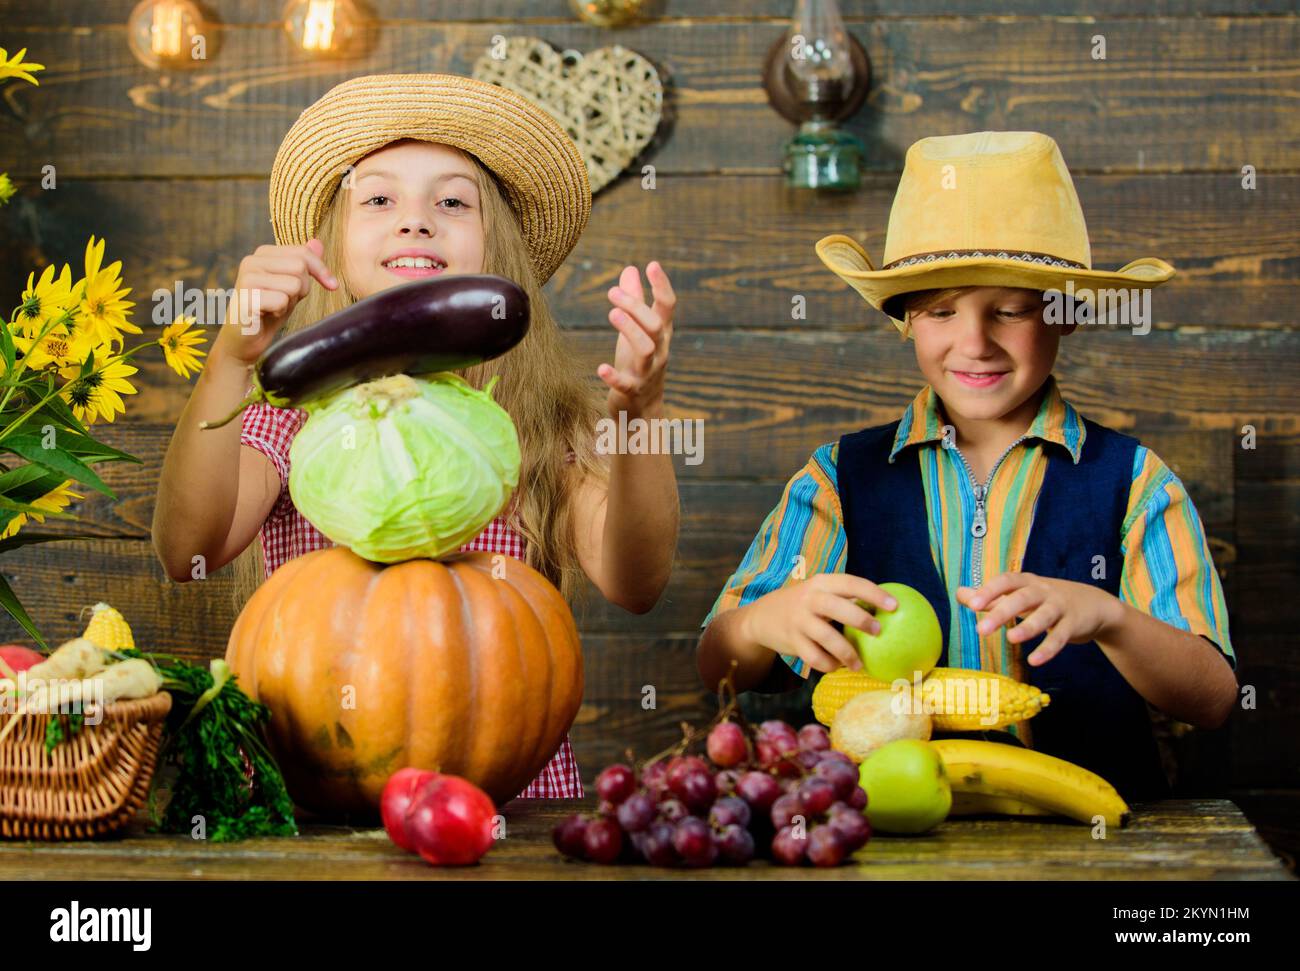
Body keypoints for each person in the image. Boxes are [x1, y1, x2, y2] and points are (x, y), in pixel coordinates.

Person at [153, 73, 681, 799]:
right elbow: (189, 550)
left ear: (499, 251)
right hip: (313, 805)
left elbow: (637, 583)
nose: (415, 220)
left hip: (502, 809)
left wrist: (640, 411)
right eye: (377, 199)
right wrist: (228, 360)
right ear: (329, 250)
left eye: (453, 201)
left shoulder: (547, 414)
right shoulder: (288, 410)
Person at [696, 130, 1236, 801]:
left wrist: (1111, 617)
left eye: (1009, 310)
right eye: (942, 310)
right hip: (875, 833)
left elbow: (1213, 698)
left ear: (1065, 315)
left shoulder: (1136, 484)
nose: (974, 342)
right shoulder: (837, 478)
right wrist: (760, 621)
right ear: (905, 320)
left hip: (1097, 842)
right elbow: (718, 663)